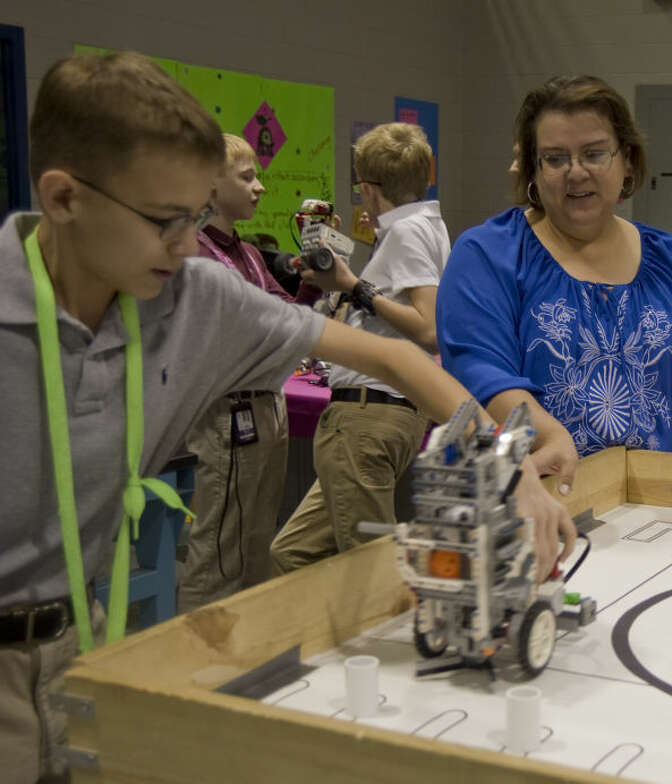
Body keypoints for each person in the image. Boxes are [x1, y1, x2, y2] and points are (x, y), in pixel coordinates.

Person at [0, 51, 573, 783]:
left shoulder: (194, 295)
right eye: (164, 221)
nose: (186, 244)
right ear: (64, 198)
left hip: (92, 649)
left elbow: (398, 361)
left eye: (197, 216)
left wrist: (507, 463)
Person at [436, 74, 672, 496]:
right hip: (527, 501)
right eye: (555, 158)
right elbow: (484, 375)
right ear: (534, 169)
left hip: (656, 505)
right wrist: (549, 438)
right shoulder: (489, 255)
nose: (576, 173)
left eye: (594, 153)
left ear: (627, 159)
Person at [271, 123, 446, 574]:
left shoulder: (406, 235)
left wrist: (353, 285)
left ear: (367, 189)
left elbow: (428, 328)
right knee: (290, 553)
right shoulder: (422, 226)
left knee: (371, 568)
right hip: (378, 412)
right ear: (428, 173)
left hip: (369, 416)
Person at [176, 134, 318, 612]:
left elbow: (286, 316)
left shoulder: (250, 254)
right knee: (216, 548)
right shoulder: (193, 255)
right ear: (211, 185)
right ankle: (197, 661)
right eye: (247, 177)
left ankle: (248, 652)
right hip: (225, 414)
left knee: (259, 540)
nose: (259, 187)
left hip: (268, 406)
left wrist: (314, 287)